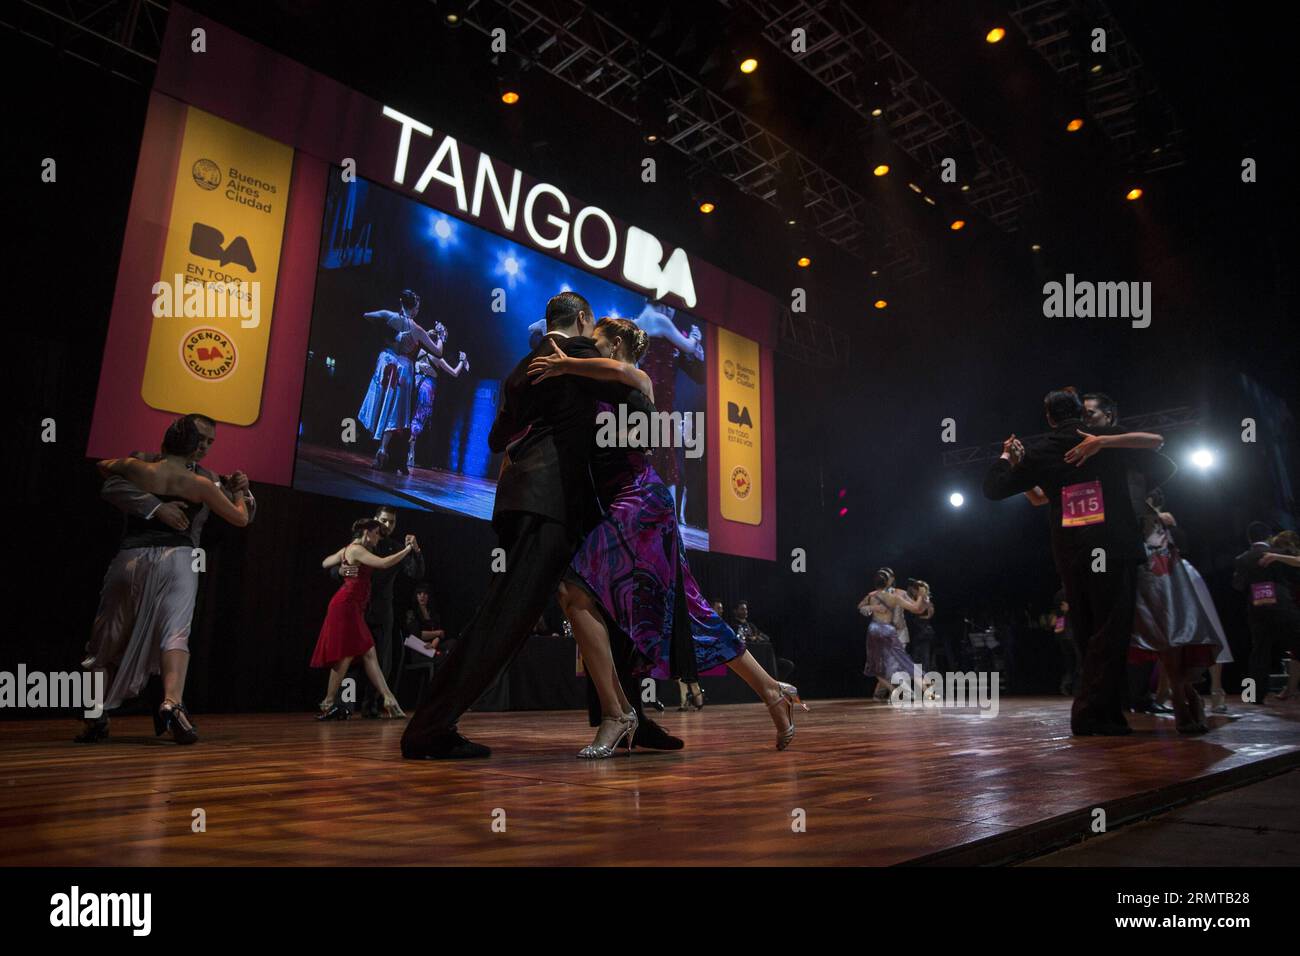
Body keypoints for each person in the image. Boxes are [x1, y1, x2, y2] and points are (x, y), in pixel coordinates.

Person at [527, 317, 806, 755]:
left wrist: (565, 365)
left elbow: (622, 372)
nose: (588, 349)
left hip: (640, 501)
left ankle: (618, 714)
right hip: (632, 506)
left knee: (573, 589)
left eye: (596, 342)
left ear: (617, 343)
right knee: (690, 611)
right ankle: (772, 690)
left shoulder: (637, 380)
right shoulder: (597, 386)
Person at [400, 292, 648, 759]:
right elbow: (636, 396)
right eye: (593, 326)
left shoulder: (521, 368)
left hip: (522, 499)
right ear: (582, 319)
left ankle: (624, 714)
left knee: (582, 597)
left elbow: (497, 439)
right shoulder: (578, 353)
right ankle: (427, 729)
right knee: (506, 617)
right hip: (551, 504)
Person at [983, 387, 1175, 736]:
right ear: (1080, 412)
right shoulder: (1103, 438)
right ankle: (1089, 713)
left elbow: (995, 489)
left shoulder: (1043, 452)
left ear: (1048, 418)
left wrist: (1009, 457)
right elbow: (1160, 451)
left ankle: (1107, 714)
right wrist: (1111, 458)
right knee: (1111, 630)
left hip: (1072, 552)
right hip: (1112, 547)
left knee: (1087, 632)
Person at [80, 414, 254, 745]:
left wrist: (237, 490)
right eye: (201, 440)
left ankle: (97, 714)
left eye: (210, 442)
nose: (205, 447)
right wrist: (236, 495)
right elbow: (240, 518)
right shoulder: (200, 482)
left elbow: (103, 467)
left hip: (131, 558)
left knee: (106, 637)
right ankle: (169, 704)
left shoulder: (138, 467)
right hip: (178, 561)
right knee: (173, 634)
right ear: (190, 442)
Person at [313, 519, 414, 720]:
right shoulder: (357, 549)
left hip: (353, 607)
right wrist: (408, 549)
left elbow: (325, 562)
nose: (378, 538)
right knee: (353, 654)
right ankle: (331, 702)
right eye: (376, 533)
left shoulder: (348, 549)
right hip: (346, 606)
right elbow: (384, 563)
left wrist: (341, 568)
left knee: (366, 653)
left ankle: (388, 700)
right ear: (367, 533)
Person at [334, 505, 423, 716]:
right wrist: (339, 571)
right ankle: (344, 706)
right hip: (356, 609)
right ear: (375, 520)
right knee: (350, 659)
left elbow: (415, 573)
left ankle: (371, 707)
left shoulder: (396, 547)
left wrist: (416, 551)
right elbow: (336, 566)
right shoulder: (360, 543)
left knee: (381, 661)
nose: (387, 525)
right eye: (384, 520)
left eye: (392, 522)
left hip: (382, 612)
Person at [357, 290, 445, 473]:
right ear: (413, 309)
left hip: (387, 362)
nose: (417, 311)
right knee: (394, 410)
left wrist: (393, 334)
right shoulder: (417, 329)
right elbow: (438, 352)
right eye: (417, 308)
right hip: (403, 368)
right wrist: (441, 338)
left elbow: (366, 316)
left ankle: (379, 447)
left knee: (382, 404)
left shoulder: (388, 316)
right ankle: (383, 448)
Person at [1236, 524, 1300, 703]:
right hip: (1283, 606)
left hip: (1257, 609)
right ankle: (1290, 689)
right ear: (1268, 536)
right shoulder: (1279, 553)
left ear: (1249, 539)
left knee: (1259, 652)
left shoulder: (1242, 559)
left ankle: (1252, 696)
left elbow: (1238, 585)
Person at [858, 569, 931, 699]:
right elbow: (861, 607)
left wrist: (924, 599)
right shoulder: (875, 595)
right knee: (888, 665)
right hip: (885, 631)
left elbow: (918, 610)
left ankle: (899, 692)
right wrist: (872, 608)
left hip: (897, 633)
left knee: (893, 665)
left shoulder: (900, 593)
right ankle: (886, 693)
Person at [407, 344, 469, 471]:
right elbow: (454, 373)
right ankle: (411, 453)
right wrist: (462, 361)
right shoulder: (437, 358)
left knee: (410, 415)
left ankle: (408, 451)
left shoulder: (420, 351)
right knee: (419, 419)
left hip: (415, 383)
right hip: (426, 388)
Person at [1053, 589, 1079, 696]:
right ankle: (1073, 686)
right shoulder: (1071, 592)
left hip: (1063, 632)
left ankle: (1068, 686)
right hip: (1071, 633)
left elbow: (1058, 615)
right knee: (1076, 661)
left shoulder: (1059, 594)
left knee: (1070, 663)